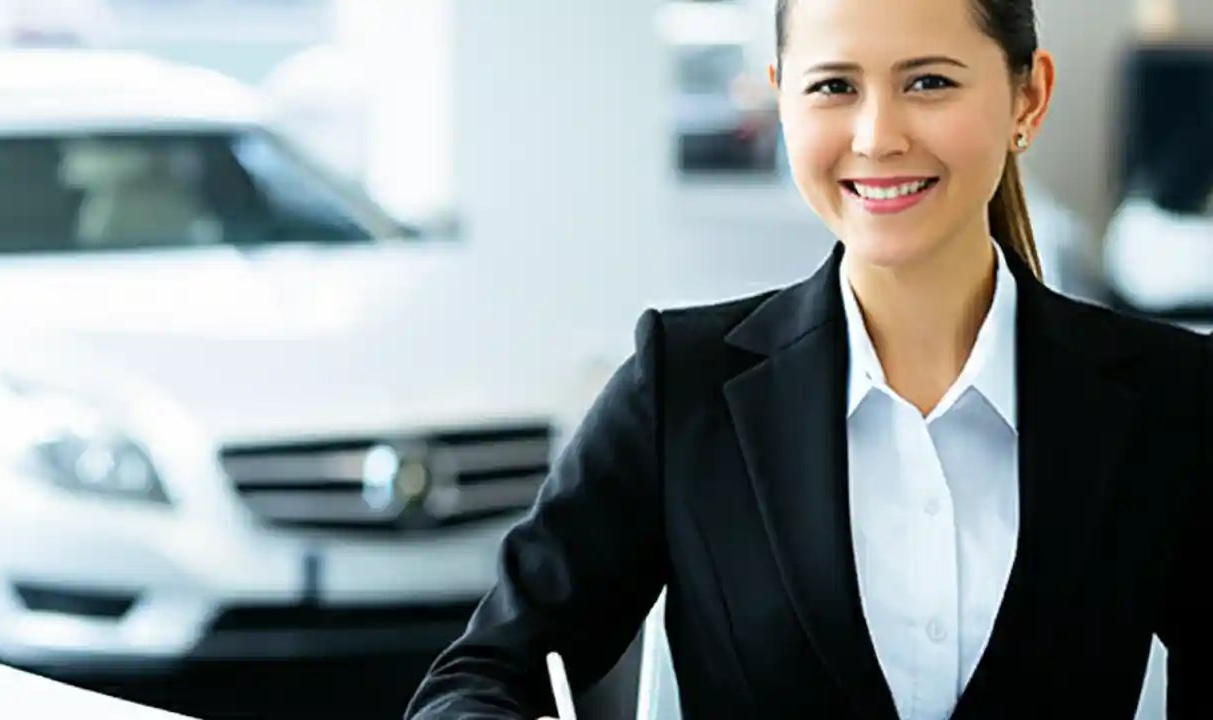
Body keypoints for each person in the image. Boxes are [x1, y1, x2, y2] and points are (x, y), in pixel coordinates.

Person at [405, 0, 1211, 717]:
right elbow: (481, 676)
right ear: (781, 98)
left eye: (928, 82)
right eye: (833, 87)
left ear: (1026, 97)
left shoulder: (1169, 398)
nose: (877, 135)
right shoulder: (682, 388)